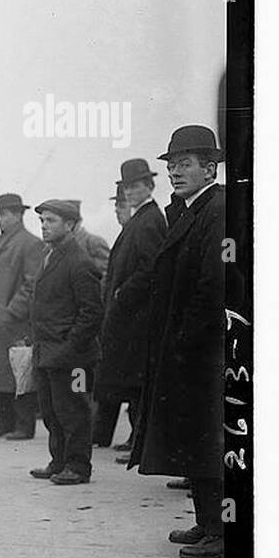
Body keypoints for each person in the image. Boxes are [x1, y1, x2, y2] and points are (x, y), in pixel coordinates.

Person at [128, 126, 226, 558]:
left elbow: (215, 284)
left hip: (205, 352)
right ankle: (207, 522)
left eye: (184, 163)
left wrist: (186, 338)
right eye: (170, 164)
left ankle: (222, 530)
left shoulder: (218, 209)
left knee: (211, 442)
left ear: (211, 168)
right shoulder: (191, 210)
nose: (174, 171)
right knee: (196, 439)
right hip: (188, 349)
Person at [26, 200, 103, 485]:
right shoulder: (53, 256)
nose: (44, 226)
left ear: (70, 225)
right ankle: (59, 461)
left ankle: (78, 466)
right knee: (52, 411)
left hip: (73, 359)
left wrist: (70, 348)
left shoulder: (79, 262)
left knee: (74, 411)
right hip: (49, 352)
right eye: (42, 221)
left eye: (51, 221)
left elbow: (92, 312)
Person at [93, 161, 167, 451]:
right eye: (127, 187)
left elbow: (152, 267)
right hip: (130, 317)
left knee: (137, 385)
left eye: (137, 186)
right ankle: (138, 442)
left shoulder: (149, 220)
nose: (131, 192)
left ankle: (141, 444)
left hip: (137, 318)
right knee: (132, 384)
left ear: (149, 186)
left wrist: (123, 293)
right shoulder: (141, 219)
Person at [0, 193, 43, 440]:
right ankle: (4, 422)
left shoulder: (29, 243)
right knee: (2, 374)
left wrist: (12, 311)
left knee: (19, 371)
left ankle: (24, 426)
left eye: (5, 214)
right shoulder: (6, 240)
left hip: (14, 321)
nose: (0, 219)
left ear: (18, 214)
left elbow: (32, 282)